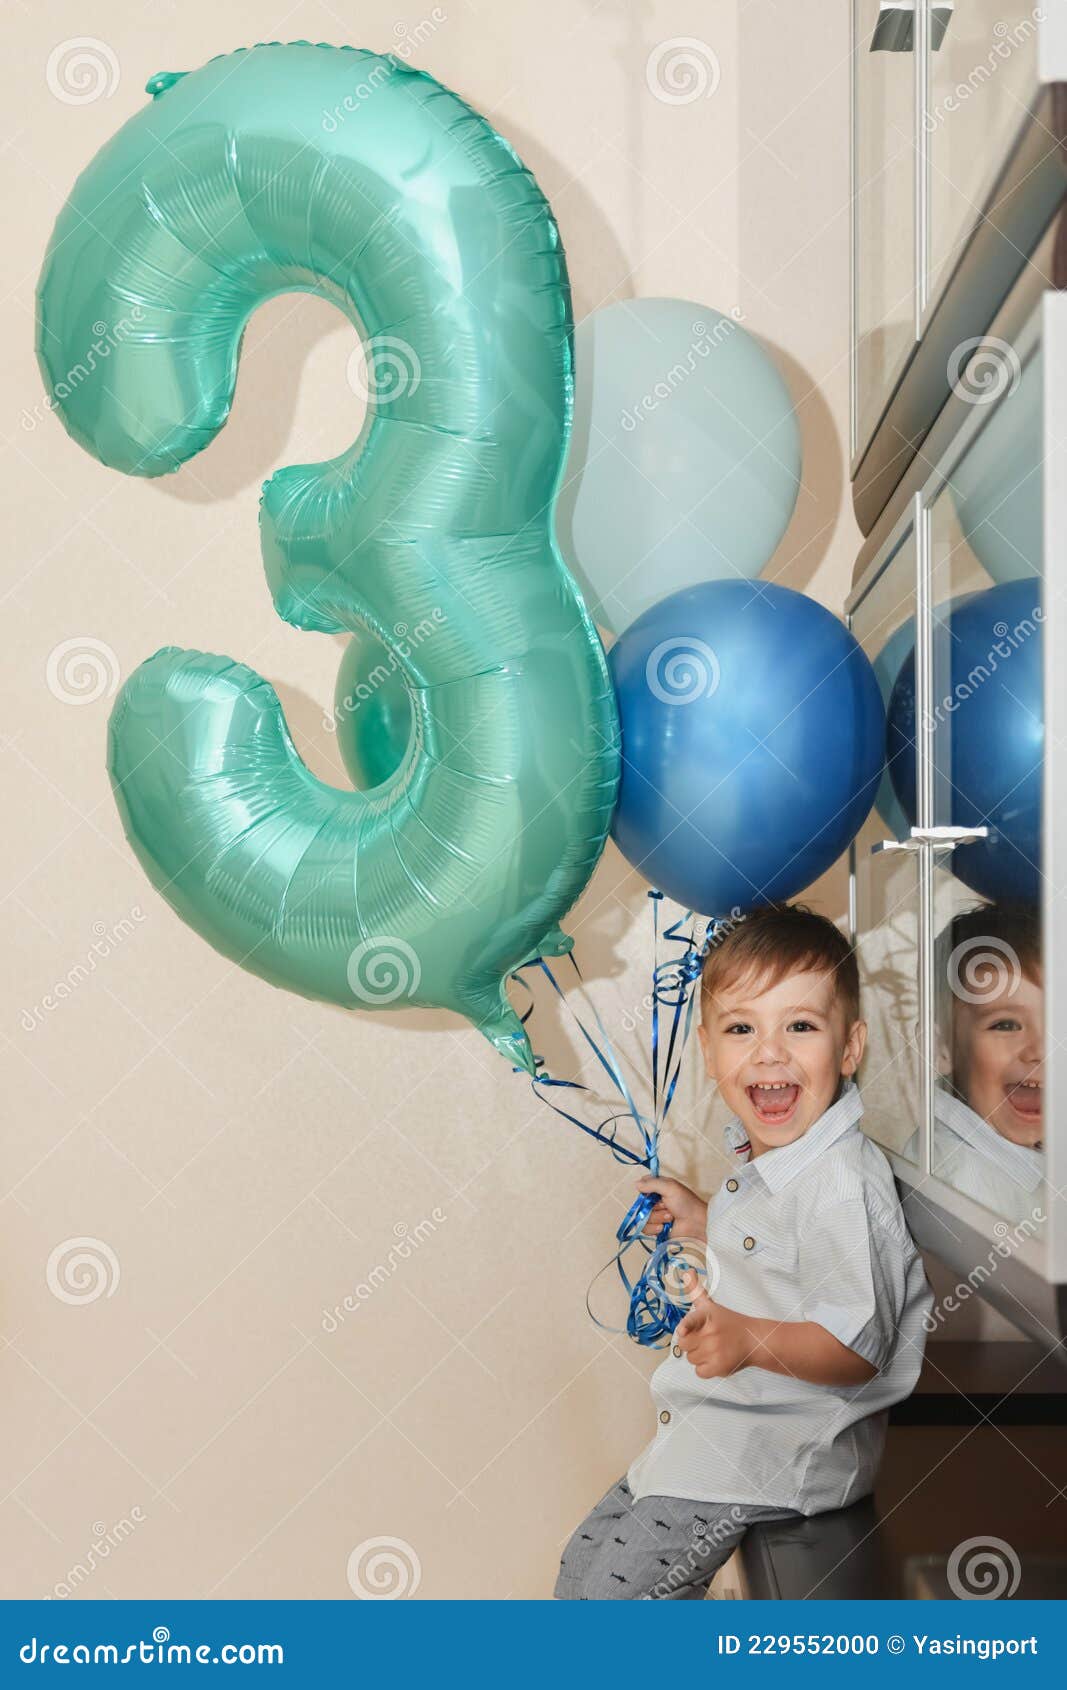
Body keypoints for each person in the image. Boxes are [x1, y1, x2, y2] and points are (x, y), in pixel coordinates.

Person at [554, 903, 933, 1600]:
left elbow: (857, 1347)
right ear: (707, 1049)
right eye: (740, 1028)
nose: (768, 1052)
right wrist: (702, 1218)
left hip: (770, 1458)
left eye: (799, 1025)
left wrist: (750, 1340)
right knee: (577, 1575)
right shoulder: (775, 1160)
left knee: (608, 1604)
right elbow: (778, 1256)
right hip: (708, 1440)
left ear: (849, 1048)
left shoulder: (840, 1185)